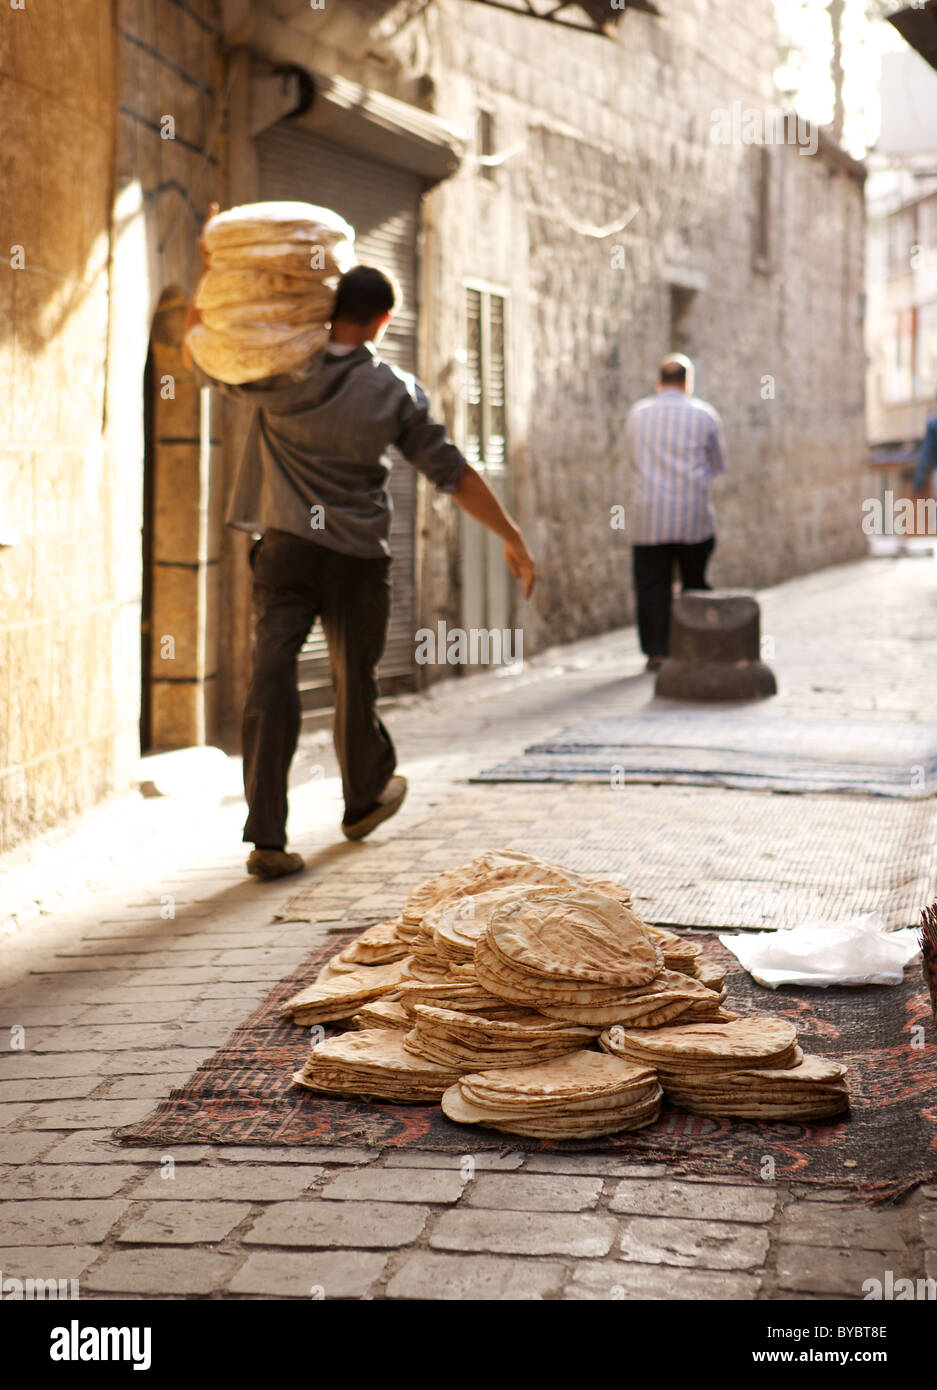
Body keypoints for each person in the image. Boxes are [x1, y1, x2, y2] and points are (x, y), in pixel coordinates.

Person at [184, 247, 535, 882]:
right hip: (355, 559)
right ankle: (363, 798)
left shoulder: (278, 368)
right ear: (380, 322)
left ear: (331, 309)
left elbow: (205, 353)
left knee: (271, 676)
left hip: (284, 550)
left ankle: (267, 833)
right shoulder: (393, 392)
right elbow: (450, 471)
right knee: (356, 679)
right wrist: (511, 536)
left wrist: (209, 280)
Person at [625, 354, 727, 670]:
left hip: (649, 517)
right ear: (687, 382)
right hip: (692, 517)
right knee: (694, 583)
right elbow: (718, 465)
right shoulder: (705, 415)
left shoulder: (638, 415)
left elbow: (633, 460)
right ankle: (694, 648)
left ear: (659, 381)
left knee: (652, 586)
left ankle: (657, 652)